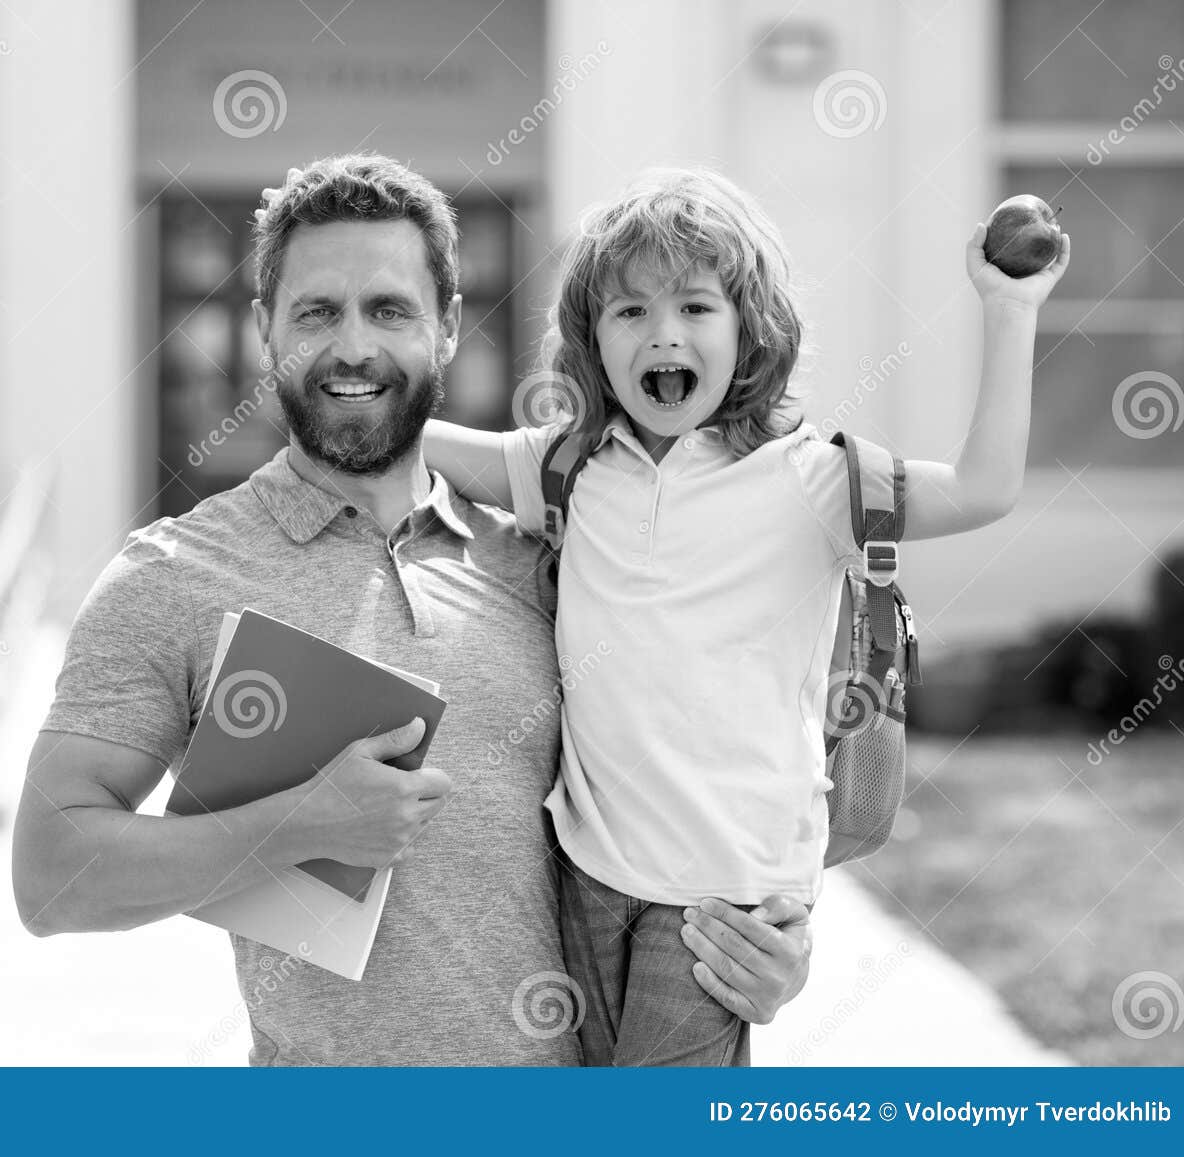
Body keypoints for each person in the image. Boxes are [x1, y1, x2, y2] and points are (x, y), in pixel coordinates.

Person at [11, 154, 813, 1066]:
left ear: (448, 328)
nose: (354, 345)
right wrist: (302, 823)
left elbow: (710, 761)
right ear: (265, 331)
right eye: (317, 311)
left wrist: (759, 942)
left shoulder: (550, 561)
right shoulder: (175, 574)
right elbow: (51, 875)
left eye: (390, 309)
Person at [424, 168, 1070, 1065]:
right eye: (630, 312)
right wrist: (334, 392)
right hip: (583, 870)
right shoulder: (573, 467)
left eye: (696, 307)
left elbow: (985, 488)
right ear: (591, 341)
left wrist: (1011, 308)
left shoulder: (810, 481)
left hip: (720, 903)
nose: (664, 333)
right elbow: (429, 447)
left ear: (748, 331)